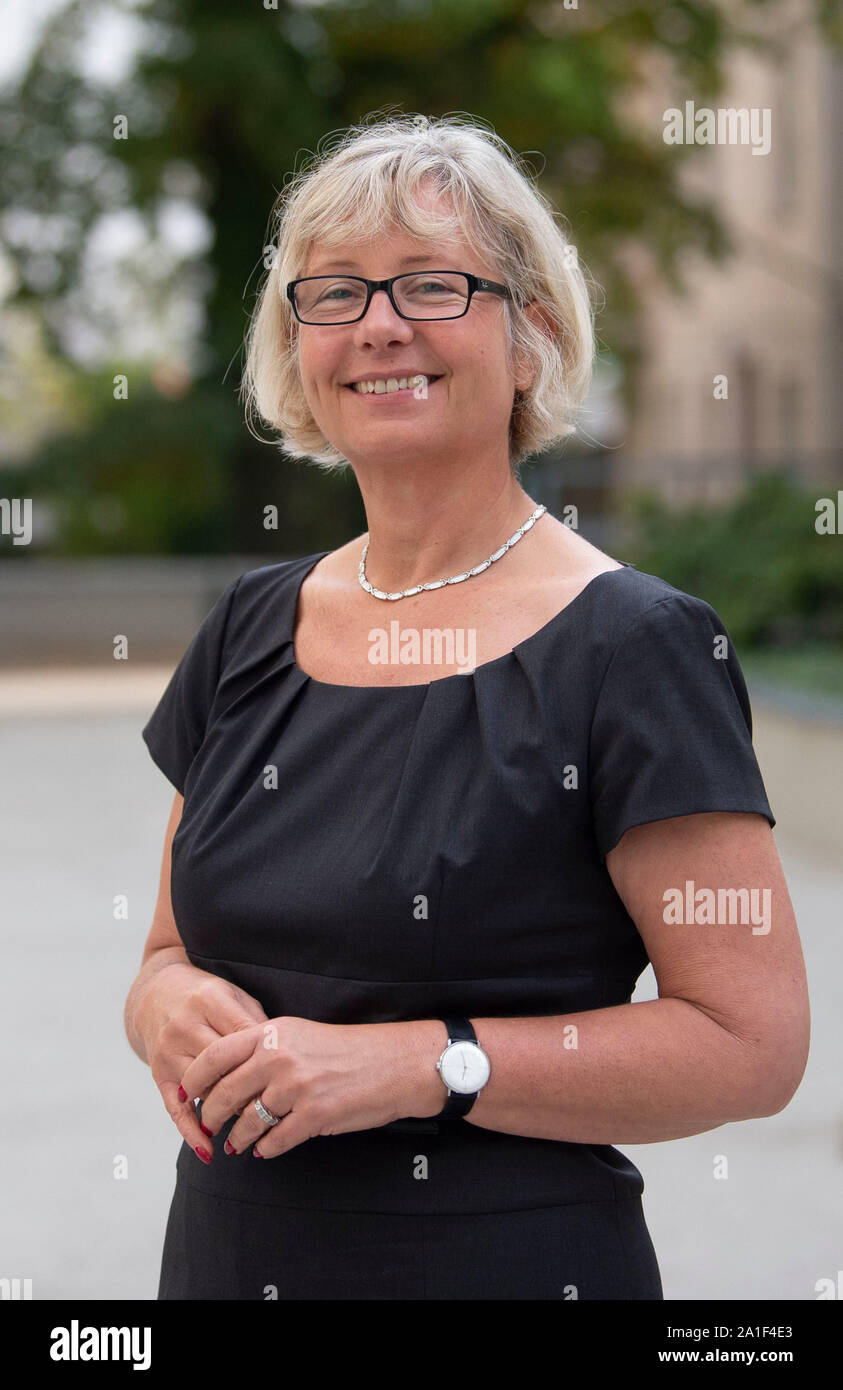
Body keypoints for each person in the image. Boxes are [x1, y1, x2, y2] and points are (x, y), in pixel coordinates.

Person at [125, 113, 810, 1301]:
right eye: (332, 294)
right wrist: (168, 1008)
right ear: (298, 348)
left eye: (431, 285)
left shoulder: (638, 645)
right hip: (230, 1267)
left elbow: (750, 1046)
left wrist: (421, 1065)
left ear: (533, 334)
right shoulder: (248, 627)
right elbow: (166, 953)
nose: (378, 324)